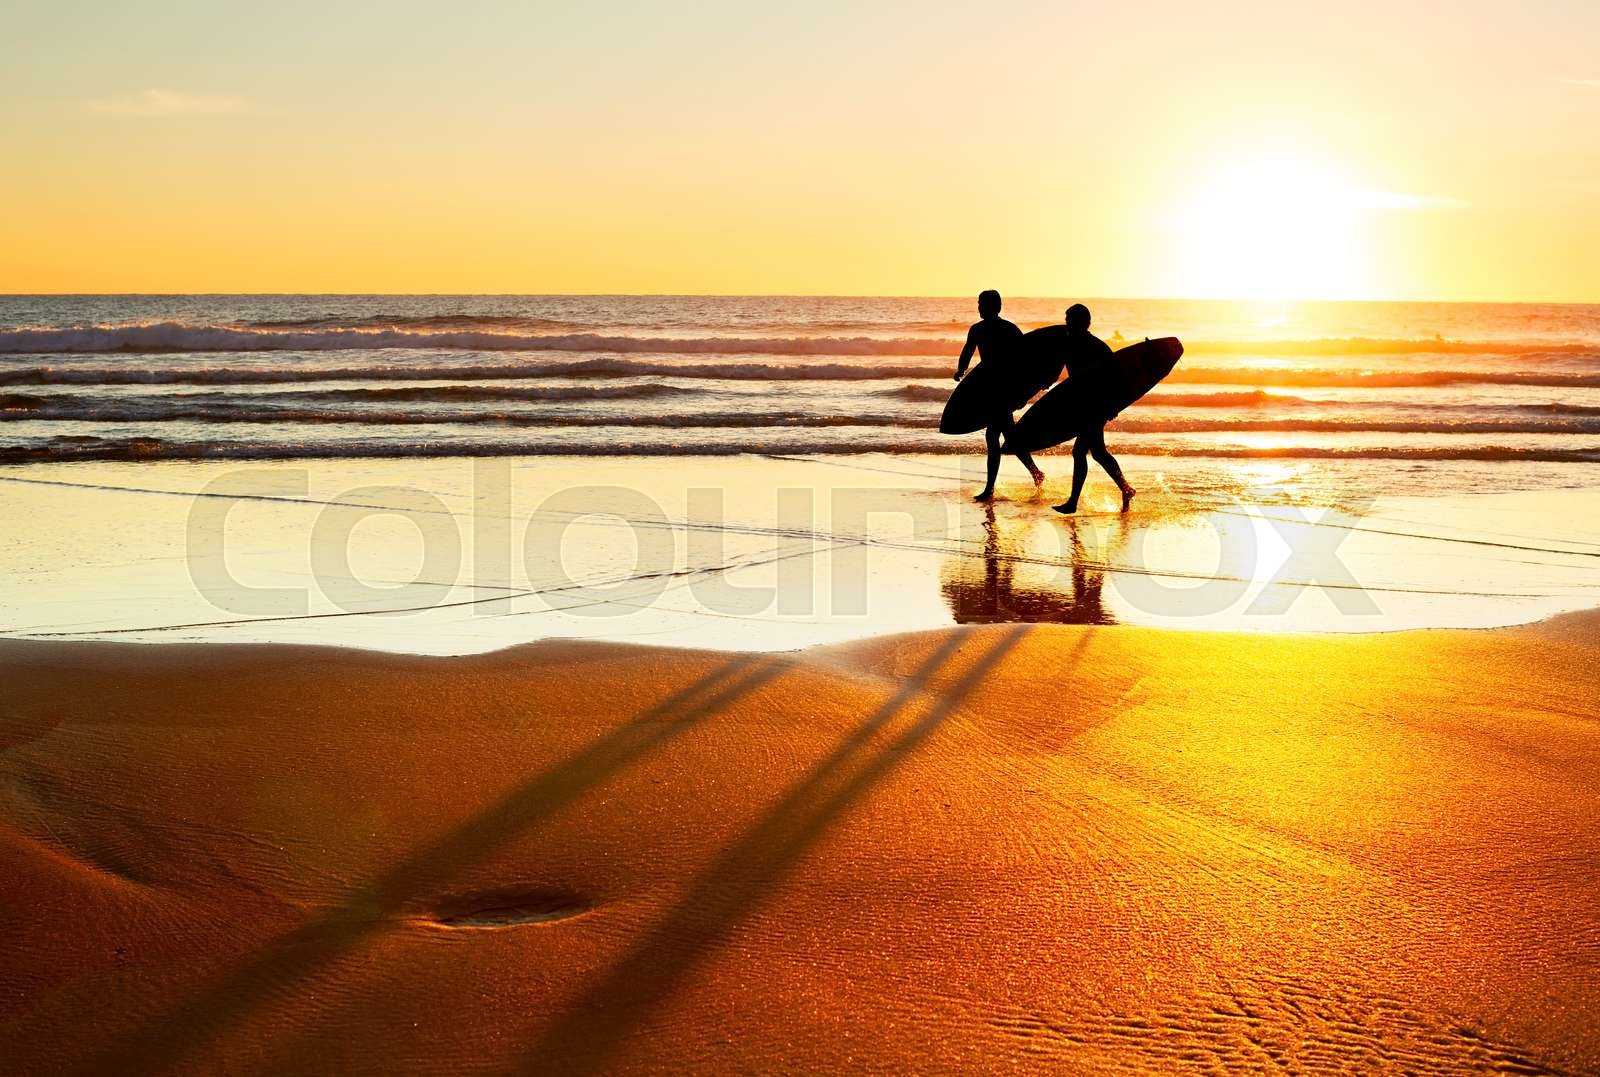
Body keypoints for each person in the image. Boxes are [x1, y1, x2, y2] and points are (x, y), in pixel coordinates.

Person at [953, 290, 1045, 500]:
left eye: (981, 304)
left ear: (991, 306)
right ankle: (1035, 473)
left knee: (993, 437)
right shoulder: (997, 329)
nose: (978, 307)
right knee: (1009, 436)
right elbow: (968, 351)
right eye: (978, 303)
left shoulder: (994, 329)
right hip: (996, 390)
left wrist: (960, 370)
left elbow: (1025, 358)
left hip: (1001, 391)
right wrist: (961, 370)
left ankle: (990, 489)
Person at [1048, 303, 1135, 515]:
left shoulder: (1098, 348)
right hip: (1082, 404)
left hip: (1096, 405)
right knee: (1098, 452)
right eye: (1066, 318)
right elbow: (1058, 371)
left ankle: (1073, 502)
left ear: (1082, 323)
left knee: (1079, 451)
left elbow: (1115, 378)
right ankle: (1126, 489)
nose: (1066, 323)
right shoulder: (1069, 345)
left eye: (1070, 319)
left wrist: (1112, 406)